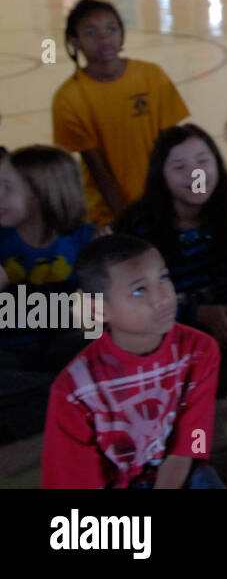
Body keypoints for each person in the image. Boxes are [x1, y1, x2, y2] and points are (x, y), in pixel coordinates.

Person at [42, 235, 224, 489]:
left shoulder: (200, 349)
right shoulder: (73, 391)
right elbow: (76, 481)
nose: (162, 297)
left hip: (178, 471)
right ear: (99, 310)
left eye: (163, 278)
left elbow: (194, 439)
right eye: (139, 290)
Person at [117, 124, 227, 393]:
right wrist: (198, 313)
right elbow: (138, 302)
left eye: (203, 161)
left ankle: (207, 371)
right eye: (179, 167)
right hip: (163, 320)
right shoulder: (141, 226)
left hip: (212, 311)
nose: (196, 174)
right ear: (162, 177)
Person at [51, 0, 189, 224]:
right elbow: (98, 168)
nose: (104, 38)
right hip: (109, 213)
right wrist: (126, 218)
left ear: (122, 35)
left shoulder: (152, 75)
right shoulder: (69, 98)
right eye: (91, 33)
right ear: (74, 41)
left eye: (111, 29)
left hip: (163, 202)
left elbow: (172, 147)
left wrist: (175, 198)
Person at [0, 146, 98, 441]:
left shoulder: (83, 238)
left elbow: (104, 306)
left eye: (6, 187)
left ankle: (56, 395)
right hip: (8, 353)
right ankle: (62, 395)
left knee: (100, 347)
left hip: (56, 342)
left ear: (41, 193)